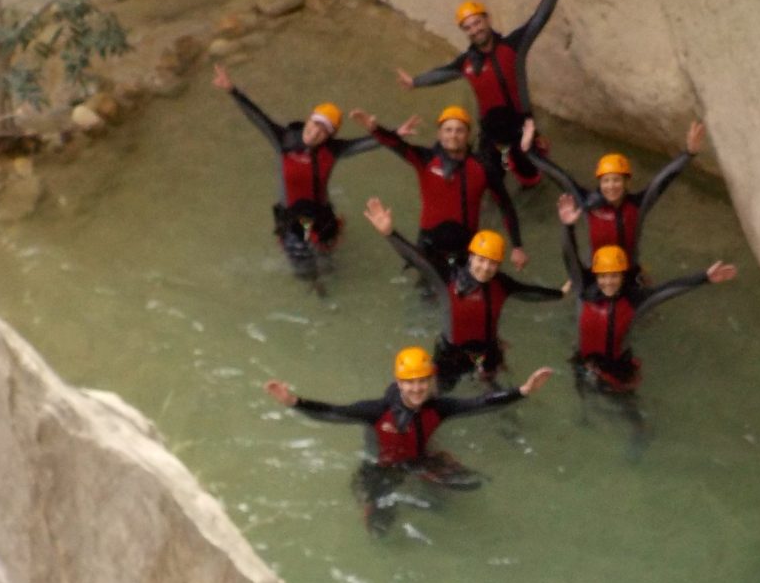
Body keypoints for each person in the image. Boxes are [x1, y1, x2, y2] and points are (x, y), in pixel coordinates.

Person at [266, 347, 553, 533]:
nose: (417, 388)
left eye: (422, 381)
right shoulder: (376, 411)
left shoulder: (438, 407)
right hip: (381, 467)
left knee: (465, 490)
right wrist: (295, 402)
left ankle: (435, 468)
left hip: (419, 458)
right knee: (380, 530)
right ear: (399, 382)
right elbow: (333, 413)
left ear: (430, 381)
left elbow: (480, 404)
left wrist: (523, 391)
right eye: (410, 382)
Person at [394, 0, 572, 187]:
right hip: (490, 135)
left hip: (521, 128)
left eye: (477, 22)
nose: (475, 29)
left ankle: (530, 169)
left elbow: (538, 19)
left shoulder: (513, 46)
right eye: (468, 27)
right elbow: (442, 74)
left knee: (531, 180)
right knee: (488, 182)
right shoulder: (466, 63)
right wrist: (415, 82)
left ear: (487, 20)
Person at [364, 197, 568, 389]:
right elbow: (417, 259)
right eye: (481, 260)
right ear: (470, 257)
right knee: (442, 395)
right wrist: (390, 233)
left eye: (492, 263)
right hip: (450, 354)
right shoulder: (447, 278)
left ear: (498, 265)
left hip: (487, 353)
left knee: (495, 393)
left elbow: (528, 292)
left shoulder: (502, 283)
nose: (485, 268)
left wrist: (560, 293)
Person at [213, 62, 382, 274]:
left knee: (330, 266)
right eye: (315, 123)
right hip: (294, 221)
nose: (315, 132)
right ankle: (315, 284)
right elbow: (257, 117)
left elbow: (370, 143)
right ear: (308, 119)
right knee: (305, 271)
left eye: (324, 130)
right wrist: (232, 90)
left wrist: (394, 134)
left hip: (322, 217)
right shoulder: (284, 140)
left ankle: (326, 275)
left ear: (329, 137)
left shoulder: (333, 150)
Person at [350, 103, 524, 279]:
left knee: (467, 291)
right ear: (439, 134)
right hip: (429, 248)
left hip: (467, 250)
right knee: (427, 291)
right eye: (448, 130)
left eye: (459, 130)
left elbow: (506, 206)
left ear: (468, 135)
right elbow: (397, 145)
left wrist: (517, 247)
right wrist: (375, 129)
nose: (453, 135)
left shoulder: (483, 167)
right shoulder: (425, 159)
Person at [563, 224, 737, 394]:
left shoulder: (635, 300)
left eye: (614, 276)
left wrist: (704, 277)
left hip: (618, 369)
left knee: (626, 406)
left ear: (623, 276)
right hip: (584, 362)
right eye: (603, 276)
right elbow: (571, 258)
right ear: (596, 276)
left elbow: (668, 289)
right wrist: (567, 226)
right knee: (582, 395)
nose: (608, 282)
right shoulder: (584, 290)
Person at [524, 115, 705, 269]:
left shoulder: (638, 205)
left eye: (617, 180)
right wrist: (529, 153)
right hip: (595, 271)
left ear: (627, 182)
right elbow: (560, 177)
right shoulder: (587, 202)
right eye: (606, 181)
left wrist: (688, 154)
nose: (611, 186)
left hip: (628, 271)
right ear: (600, 183)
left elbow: (662, 180)